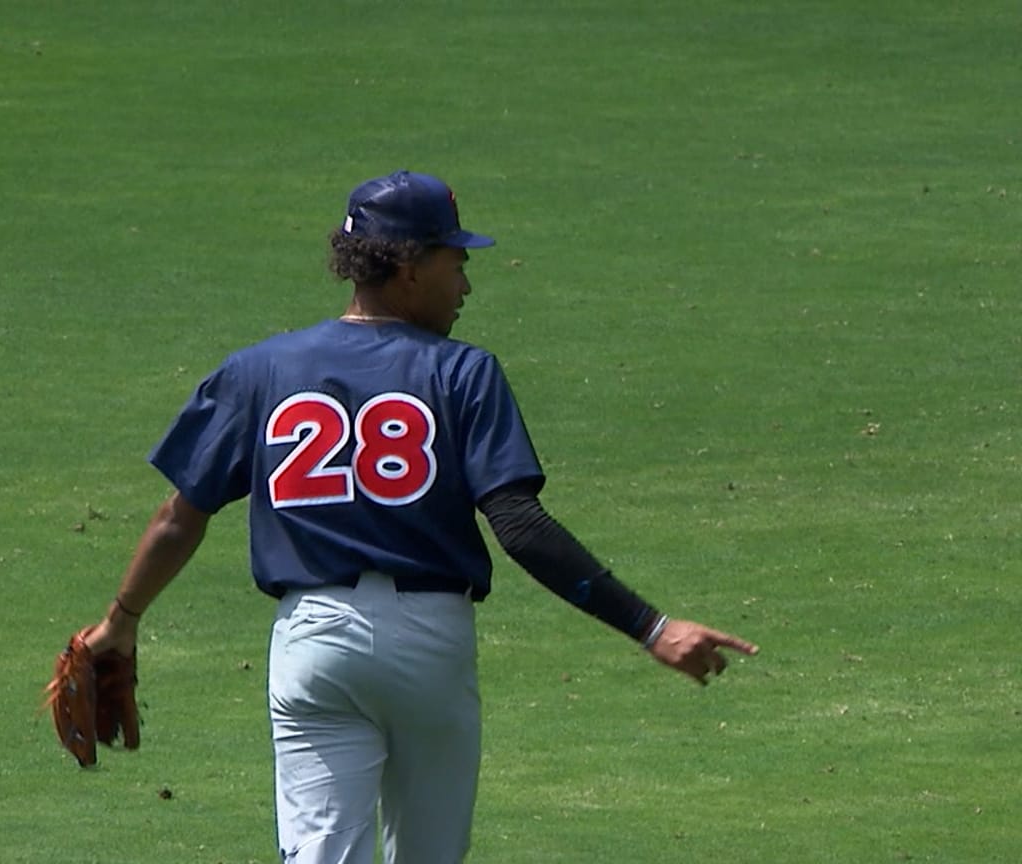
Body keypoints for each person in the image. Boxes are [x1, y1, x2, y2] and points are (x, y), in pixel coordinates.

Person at [81, 169, 759, 864]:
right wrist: (649, 626)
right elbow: (519, 526)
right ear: (407, 266)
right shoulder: (463, 373)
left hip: (315, 647)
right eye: (455, 262)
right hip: (430, 645)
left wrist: (122, 619)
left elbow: (178, 517)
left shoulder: (260, 369)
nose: (465, 285)